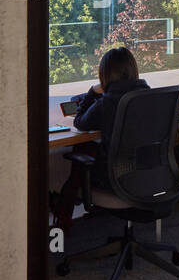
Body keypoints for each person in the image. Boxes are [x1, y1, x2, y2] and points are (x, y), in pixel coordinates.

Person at [49, 46, 149, 234]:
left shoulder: (107, 102)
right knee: (88, 148)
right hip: (149, 176)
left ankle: (62, 210)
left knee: (83, 151)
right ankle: (64, 209)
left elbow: (79, 122)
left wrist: (92, 92)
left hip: (115, 180)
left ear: (105, 75)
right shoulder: (149, 95)